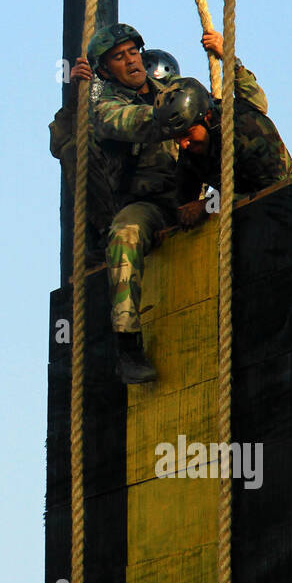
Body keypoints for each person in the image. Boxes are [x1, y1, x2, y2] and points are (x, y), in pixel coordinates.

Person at [65, 23, 180, 384]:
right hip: (150, 204)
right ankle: (128, 344)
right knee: (125, 233)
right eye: (119, 57)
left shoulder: (174, 91)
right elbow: (133, 123)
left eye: (133, 52)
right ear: (104, 70)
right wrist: (181, 113)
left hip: (194, 194)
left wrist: (230, 64)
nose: (131, 61)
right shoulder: (107, 107)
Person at [155, 59, 292, 230]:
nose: (183, 144)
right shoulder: (192, 147)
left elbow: (275, 190)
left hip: (288, 209)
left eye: (187, 135)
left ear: (207, 118)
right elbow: (183, 198)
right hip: (241, 220)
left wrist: (207, 206)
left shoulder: (247, 128)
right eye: (177, 138)